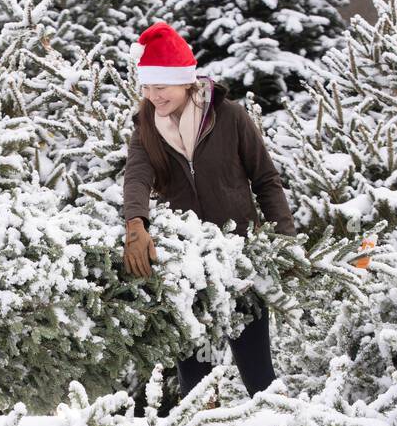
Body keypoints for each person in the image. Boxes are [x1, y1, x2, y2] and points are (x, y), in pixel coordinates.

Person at [122, 20, 297, 399]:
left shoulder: (229, 116)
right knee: (195, 382)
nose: (154, 95)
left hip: (241, 260)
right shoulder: (146, 128)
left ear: (186, 81)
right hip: (186, 268)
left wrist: (285, 239)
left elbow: (265, 178)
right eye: (147, 86)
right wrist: (135, 222)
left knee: (258, 375)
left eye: (161, 86)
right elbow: (136, 177)